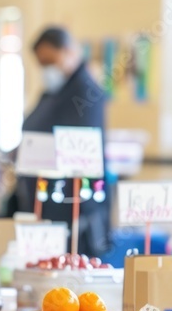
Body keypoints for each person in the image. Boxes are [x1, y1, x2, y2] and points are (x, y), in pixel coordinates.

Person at [16, 26, 110, 256]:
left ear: (68, 51)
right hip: (44, 203)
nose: (46, 69)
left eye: (50, 61)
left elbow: (78, 147)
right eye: (41, 64)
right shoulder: (53, 92)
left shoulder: (87, 93)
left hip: (72, 208)